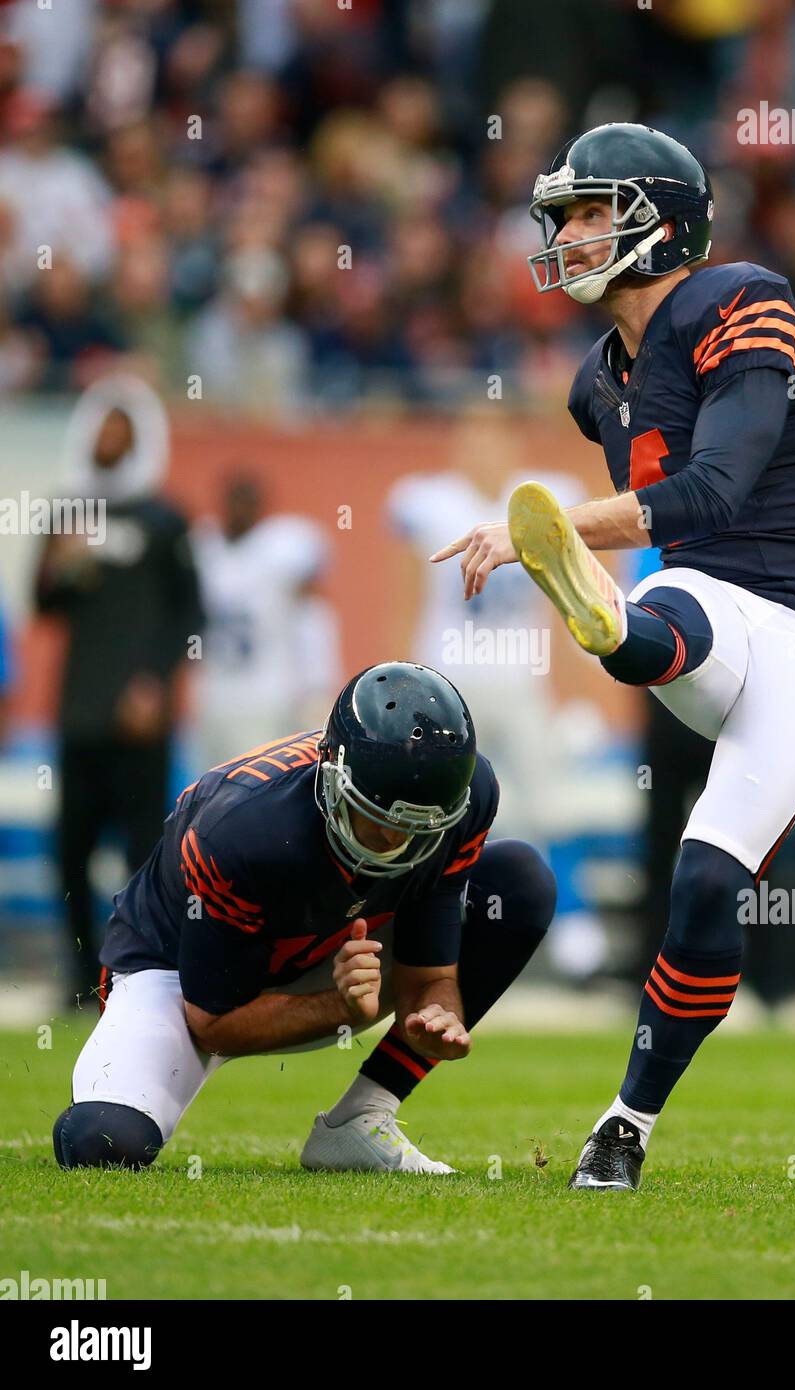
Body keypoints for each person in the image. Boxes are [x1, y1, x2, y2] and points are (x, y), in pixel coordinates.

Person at [432, 123, 795, 1190]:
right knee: (665, 601)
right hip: (708, 607)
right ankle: (609, 624)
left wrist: (550, 530)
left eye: (591, 212)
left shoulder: (740, 304)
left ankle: (625, 1122)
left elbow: (715, 490)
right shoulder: (599, 382)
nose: (571, 234)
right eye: (565, 217)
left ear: (658, 220)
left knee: (701, 887)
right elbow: (683, 531)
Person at [53, 662, 556, 1174]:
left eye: (420, 830)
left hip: (333, 948)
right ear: (334, 777)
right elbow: (212, 1023)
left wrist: (436, 1013)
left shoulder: (462, 799)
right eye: (379, 821)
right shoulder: (242, 830)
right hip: (184, 975)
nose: (398, 844)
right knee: (105, 1142)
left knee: (518, 882)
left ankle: (362, 1118)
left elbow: (431, 976)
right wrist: (339, 1006)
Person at [35, 374, 203, 1008]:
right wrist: (66, 565)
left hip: (141, 719)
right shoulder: (66, 513)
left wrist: (156, 682)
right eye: (101, 428)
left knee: (143, 854)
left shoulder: (165, 519)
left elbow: (191, 614)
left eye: (121, 430)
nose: (109, 439)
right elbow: (43, 603)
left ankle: (135, 981)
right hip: (80, 713)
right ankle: (78, 983)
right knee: (70, 852)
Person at [192, 474, 341, 769]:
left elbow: (311, 619)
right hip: (213, 696)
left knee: (255, 787)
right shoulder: (204, 547)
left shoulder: (283, 549)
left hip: (265, 699)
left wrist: (317, 686)